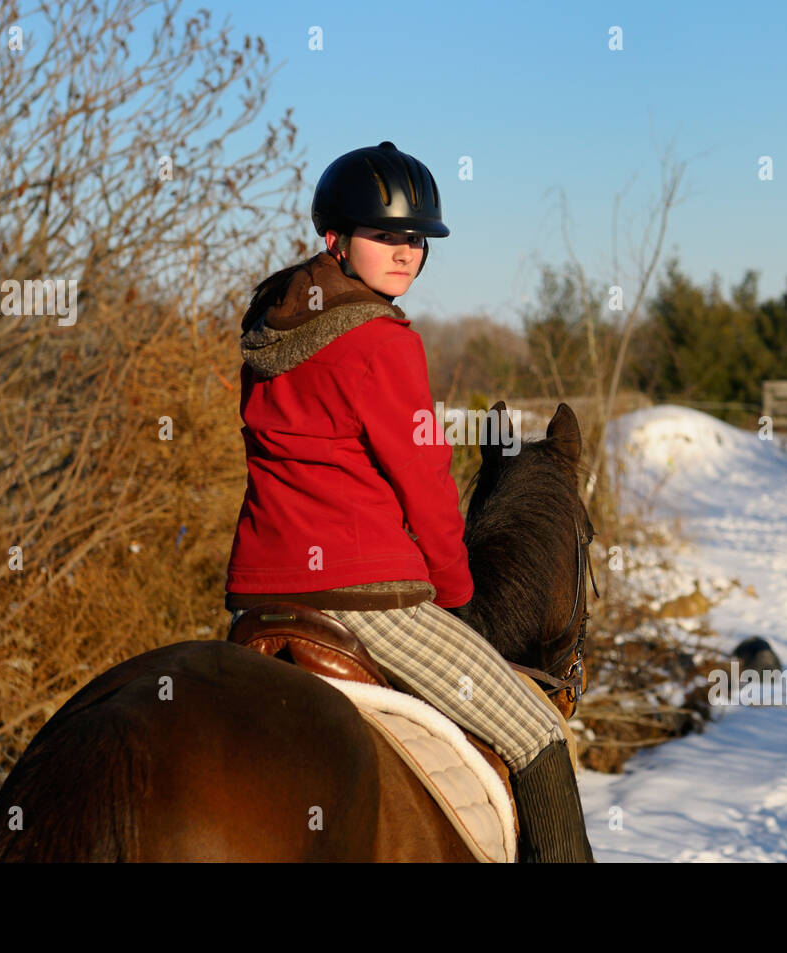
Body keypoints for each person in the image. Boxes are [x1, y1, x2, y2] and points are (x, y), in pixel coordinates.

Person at [224, 141, 593, 863]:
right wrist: (457, 591)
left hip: (258, 599)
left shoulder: (269, 332)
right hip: (367, 600)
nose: (405, 252)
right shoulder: (383, 341)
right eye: (385, 234)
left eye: (417, 238)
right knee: (538, 733)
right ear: (336, 237)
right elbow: (425, 485)